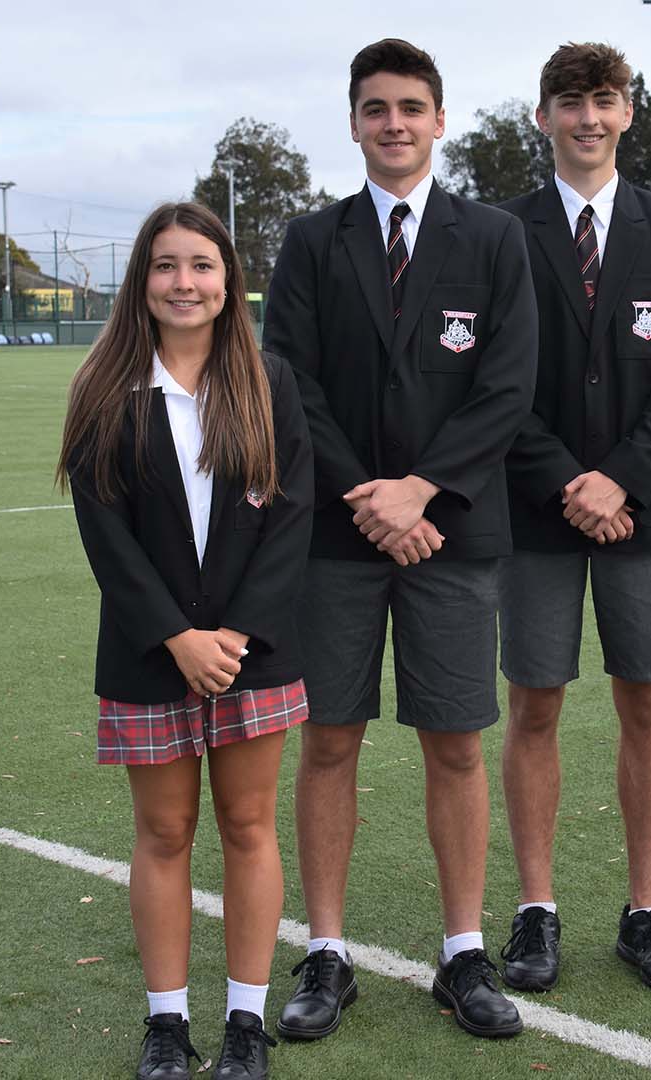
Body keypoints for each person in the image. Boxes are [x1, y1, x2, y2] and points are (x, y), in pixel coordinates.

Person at [263, 38, 538, 1041]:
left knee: (455, 745)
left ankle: (462, 951)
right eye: (374, 108)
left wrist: (419, 492)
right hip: (335, 540)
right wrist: (366, 499)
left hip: (452, 535)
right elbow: (286, 380)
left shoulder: (495, 239)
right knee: (329, 740)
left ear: (438, 119)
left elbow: (508, 383)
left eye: (410, 107)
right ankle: (325, 951)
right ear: (352, 122)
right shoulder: (310, 239)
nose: (393, 123)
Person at [58, 203, 314, 1080]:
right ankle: (167, 1024)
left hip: (253, 652)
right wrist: (176, 636)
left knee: (248, 825)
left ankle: (246, 1022)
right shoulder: (103, 388)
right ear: (141, 282)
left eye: (201, 266)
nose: (184, 283)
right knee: (163, 833)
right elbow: (105, 533)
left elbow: (291, 517)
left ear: (228, 281)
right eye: (165, 266)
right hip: (147, 652)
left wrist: (231, 635)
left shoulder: (269, 381)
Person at [495, 42, 651, 995]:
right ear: (540, 116)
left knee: (645, 701)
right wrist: (565, 481)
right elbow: (493, 380)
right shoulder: (498, 231)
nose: (587, 116)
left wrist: (619, 479)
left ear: (628, 113)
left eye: (605, 99)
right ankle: (534, 910)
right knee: (534, 704)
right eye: (569, 101)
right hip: (535, 512)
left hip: (645, 511)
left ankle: (644, 908)